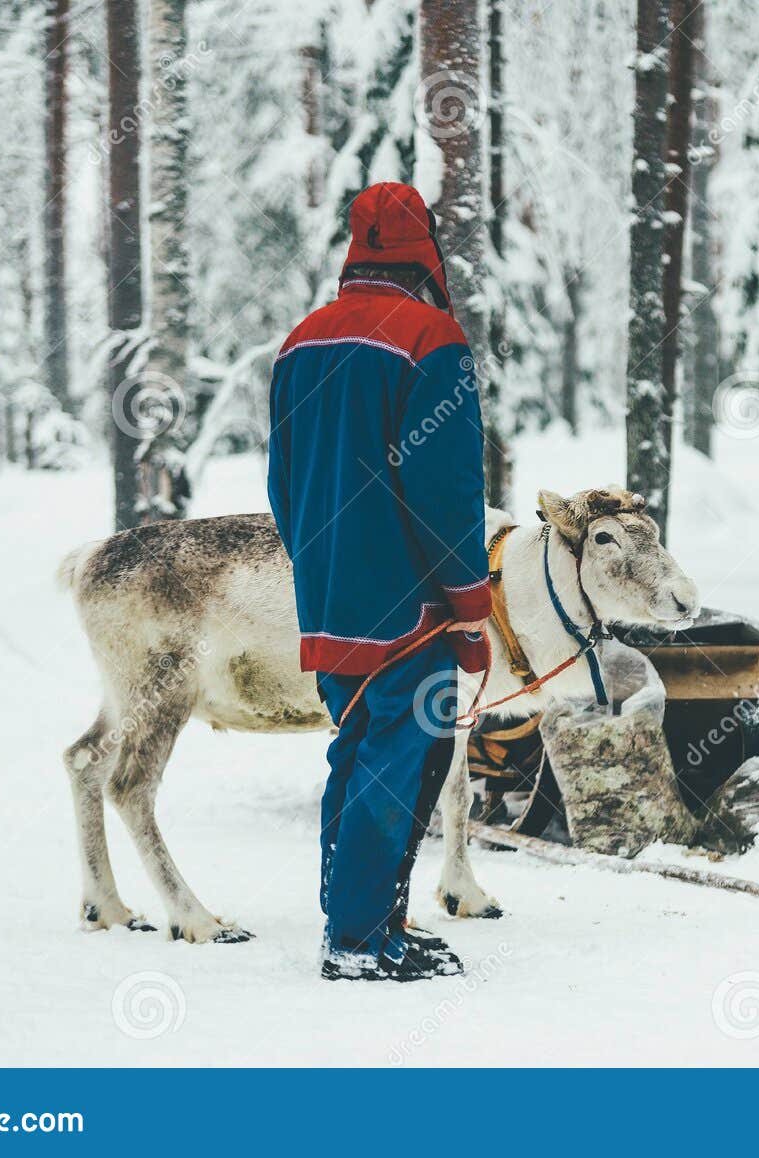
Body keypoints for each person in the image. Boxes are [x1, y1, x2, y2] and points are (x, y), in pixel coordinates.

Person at [266, 183, 491, 982]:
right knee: (402, 761)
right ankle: (359, 942)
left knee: (358, 754)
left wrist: (316, 568)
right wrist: (469, 607)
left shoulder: (301, 342)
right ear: (422, 251)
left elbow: (283, 483)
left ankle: (365, 924)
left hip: (331, 600)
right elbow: (449, 491)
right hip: (413, 606)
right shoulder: (433, 340)